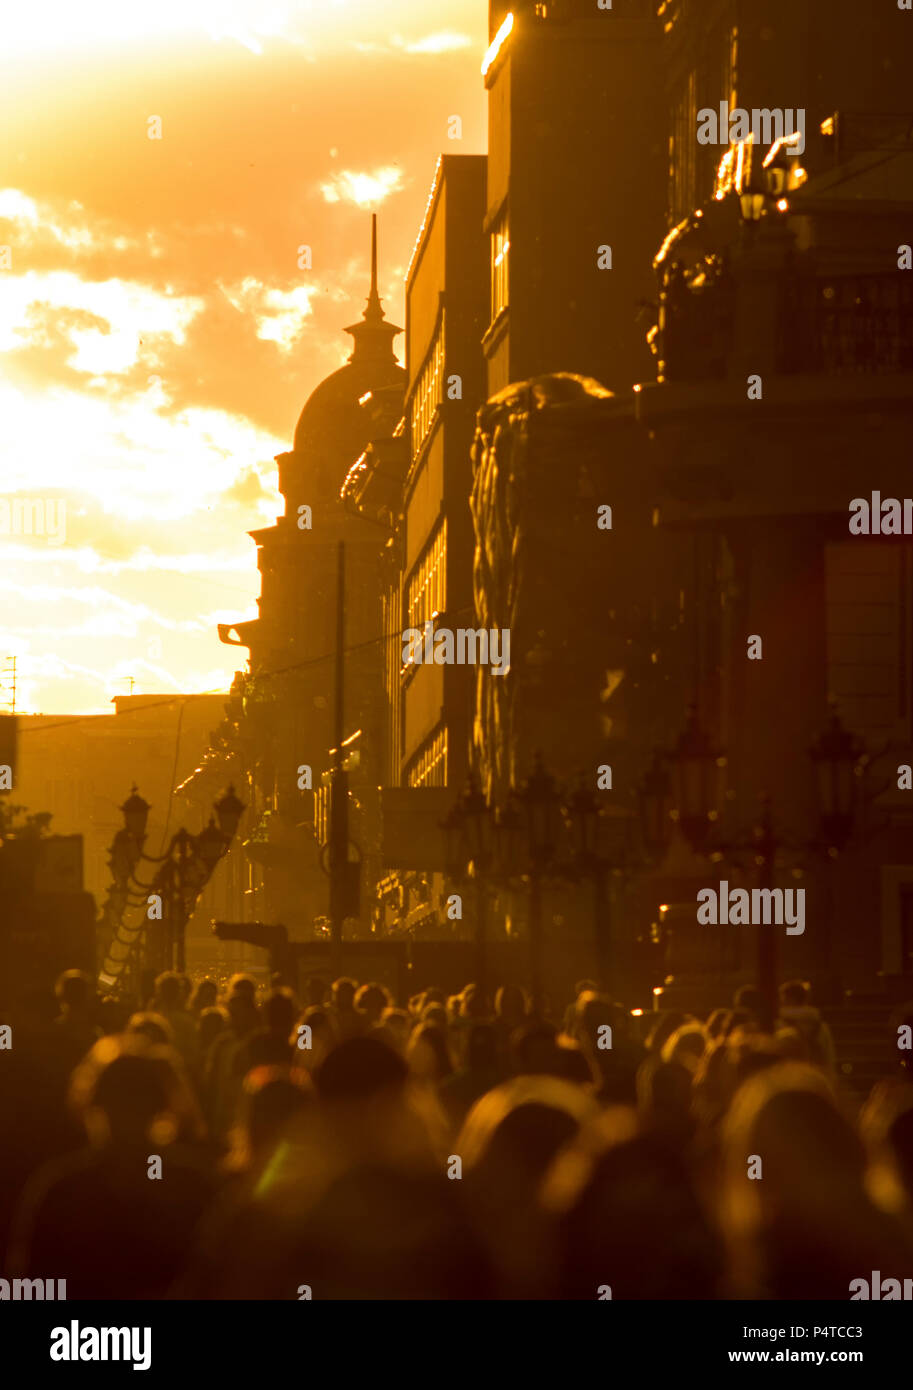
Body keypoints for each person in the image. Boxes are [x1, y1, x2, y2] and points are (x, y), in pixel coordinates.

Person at [7, 1034, 216, 1300]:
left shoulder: (64, 1187)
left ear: (96, 1106)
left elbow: (28, 1283)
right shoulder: (191, 1186)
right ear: (162, 1108)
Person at [776, 980, 836, 1073]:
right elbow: (828, 1057)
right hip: (815, 1079)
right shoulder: (821, 1026)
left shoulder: (779, 1025)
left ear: (790, 998)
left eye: (782, 997)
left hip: (788, 1079)